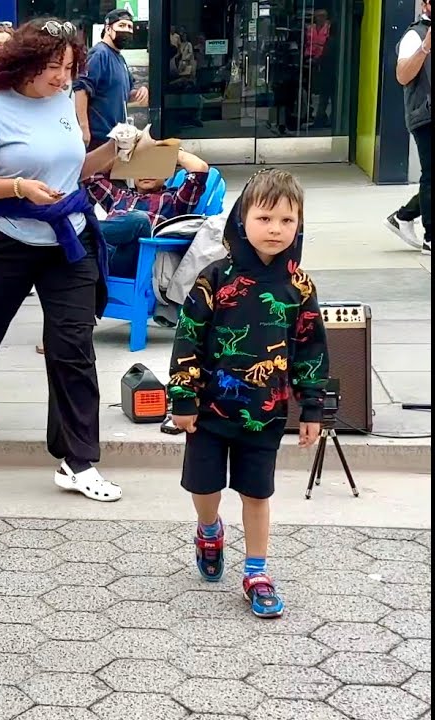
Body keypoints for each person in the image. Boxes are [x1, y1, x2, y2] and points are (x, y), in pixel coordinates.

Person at [0, 19, 130, 504]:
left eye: (69, 67)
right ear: (25, 63)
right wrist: (18, 187)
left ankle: (77, 460)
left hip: (68, 241)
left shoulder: (63, 101)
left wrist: (114, 150)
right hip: (8, 240)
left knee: (73, 345)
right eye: (53, 68)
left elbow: (74, 167)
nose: (63, 77)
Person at [168, 169, 329, 619]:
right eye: (265, 218)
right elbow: (189, 337)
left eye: (287, 220)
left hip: (267, 413)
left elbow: (311, 347)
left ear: (298, 225)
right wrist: (182, 397)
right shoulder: (214, 279)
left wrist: (312, 405)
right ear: (242, 220)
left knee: (257, 494)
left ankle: (257, 571)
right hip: (209, 411)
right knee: (204, 486)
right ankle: (209, 529)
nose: (276, 229)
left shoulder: (300, 287)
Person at [84, 148, 210, 276]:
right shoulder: (119, 195)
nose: (147, 174)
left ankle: (80, 233)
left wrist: (171, 152)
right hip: (101, 254)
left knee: (140, 220)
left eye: (154, 168)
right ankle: (80, 234)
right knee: (78, 218)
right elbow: (89, 174)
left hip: (136, 262)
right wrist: (123, 154)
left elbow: (200, 169)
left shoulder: (173, 201)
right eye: (141, 168)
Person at [387, 0, 431, 254]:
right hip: (424, 115)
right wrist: (425, 47)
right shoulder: (414, 35)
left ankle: (404, 215)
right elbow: (402, 75)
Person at [75, 9, 148, 151]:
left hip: (115, 138)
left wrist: (141, 92)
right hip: (98, 138)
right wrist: (84, 128)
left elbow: (123, 94)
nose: (127, 30)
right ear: (108, 29)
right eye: (121, 26)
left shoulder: (120, 59)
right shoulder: (99, 54)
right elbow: (81, 88)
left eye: (130, 27)